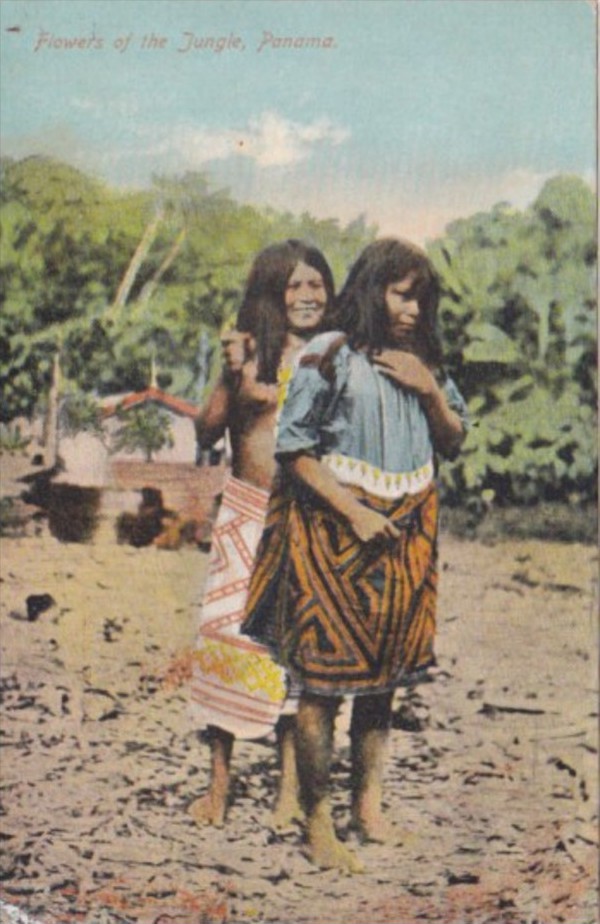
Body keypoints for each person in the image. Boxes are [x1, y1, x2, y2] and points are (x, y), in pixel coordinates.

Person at [242, 237, 468, 872]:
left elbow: (451, 441)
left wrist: (430, 392)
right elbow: (295, 450)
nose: (414, 309)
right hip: (336, 532)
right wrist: (357, 511)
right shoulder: (329, 353)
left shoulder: (427, 362)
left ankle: (368, 811)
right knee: (321, 687)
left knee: (384, 683)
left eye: (422, 297)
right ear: (372, 290)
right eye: (402, 294)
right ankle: (317, 822)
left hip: (408, 536)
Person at [189, 239, 336, 829]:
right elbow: (205, 431)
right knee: (229, 646)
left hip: (306, 520)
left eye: (316, 284)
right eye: (294, 286)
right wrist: (230, 379)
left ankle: (287, 792)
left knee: (293, 657)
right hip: (248, 514)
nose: (306, 296)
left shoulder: (334, 354)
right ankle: (218, 786)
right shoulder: (251, 352)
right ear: (272, 293)